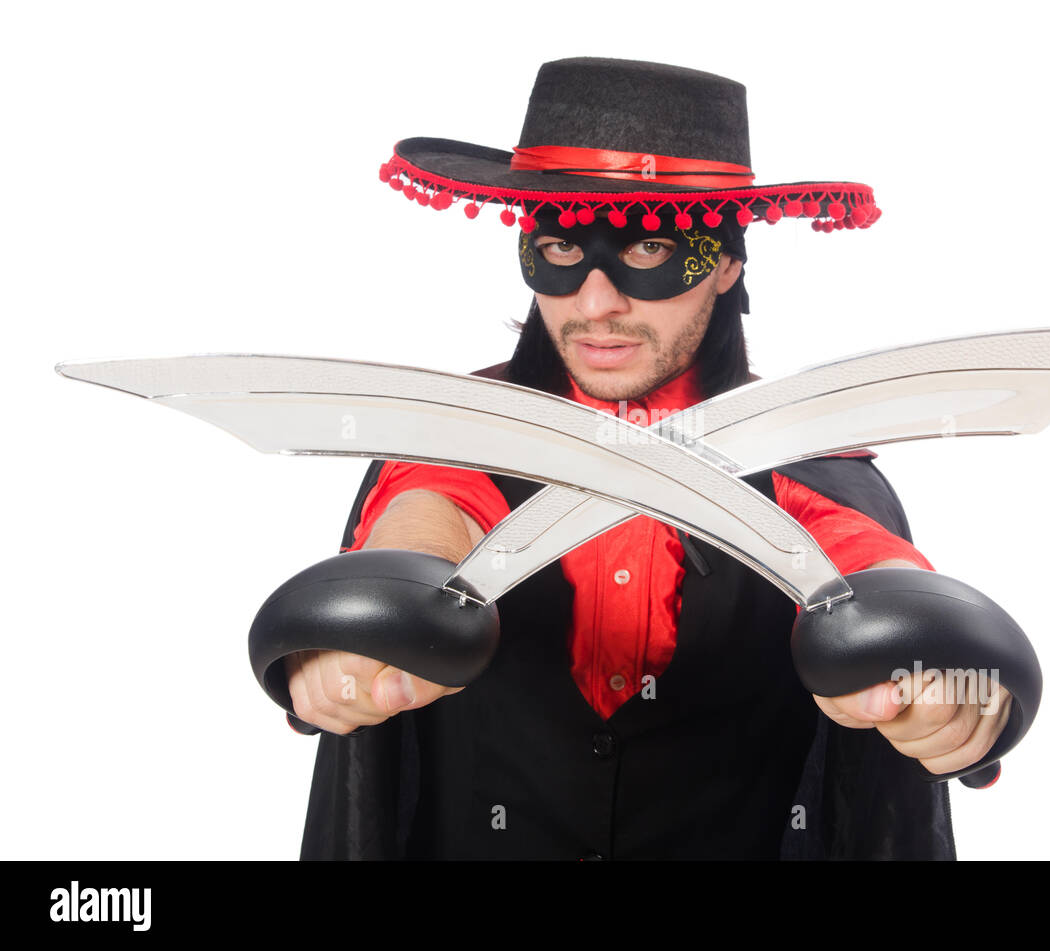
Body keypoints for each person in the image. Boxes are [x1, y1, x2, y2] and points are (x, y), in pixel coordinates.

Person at [284, 57, 1011, 860]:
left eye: (652, 248)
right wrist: (375, 618)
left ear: (728, 264)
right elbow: (430, 507)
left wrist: (942, 675)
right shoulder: (458, 438)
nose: (596, 303)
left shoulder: (804, 458)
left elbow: (865, 563)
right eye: (560, 250)